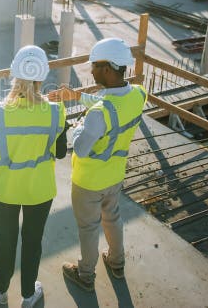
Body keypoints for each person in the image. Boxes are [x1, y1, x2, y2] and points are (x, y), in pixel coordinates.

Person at [48, 38, 147, 290]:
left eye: (94, 66)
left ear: (107, 69)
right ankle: (117, 262)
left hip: (89, 182)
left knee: (89, 228)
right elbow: (111, 105)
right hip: (115, 175)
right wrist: (76, 96)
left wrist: (77, 127)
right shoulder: (138, 94)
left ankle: (85, 275)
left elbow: (81, 148)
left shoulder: (97, 114)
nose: (90, 71)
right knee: (112, 218)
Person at [0, 45, 68, 308]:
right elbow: (61, 152)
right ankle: (29, 294)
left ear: (14, 75)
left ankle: (1, 289)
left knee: (6, 239)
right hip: (40, 190)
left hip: (6, 189)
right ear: (41, 76)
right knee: (32, 241)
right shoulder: (56, 111)